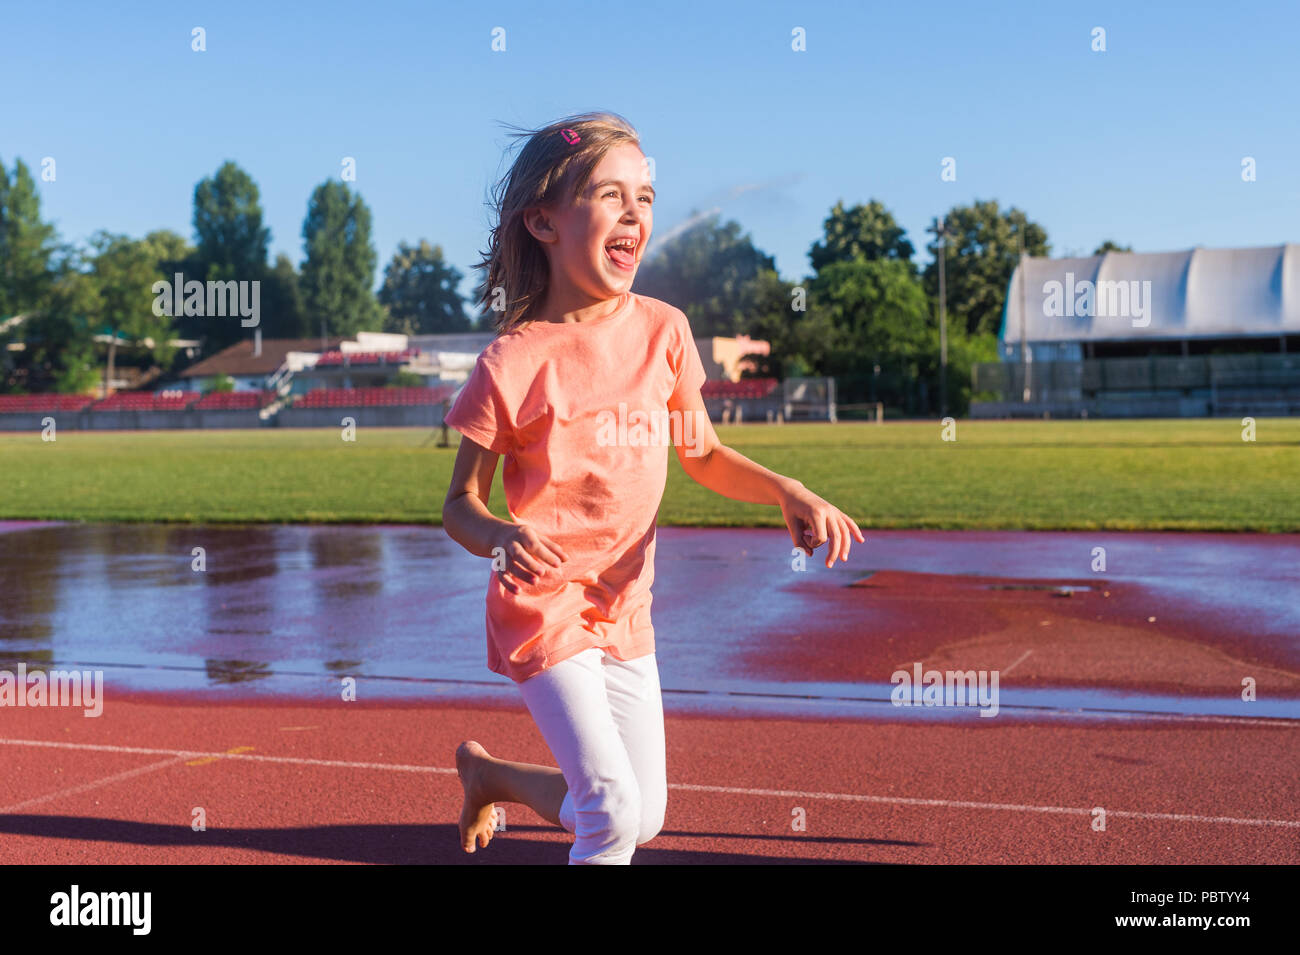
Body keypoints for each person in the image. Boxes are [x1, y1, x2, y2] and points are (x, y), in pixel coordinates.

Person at [441, 111, 863, 865]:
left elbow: (701, 453)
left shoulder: (665, 331)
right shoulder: (511, 363)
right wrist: (501, 536)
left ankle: (491, 775)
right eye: (609, 194)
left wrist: (784, 489)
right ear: (543, 220)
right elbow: (458, 505)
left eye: (646, 194)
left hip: (625, 604)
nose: (635, 211)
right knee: (609, 814)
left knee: (644, 814)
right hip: (545, 606)